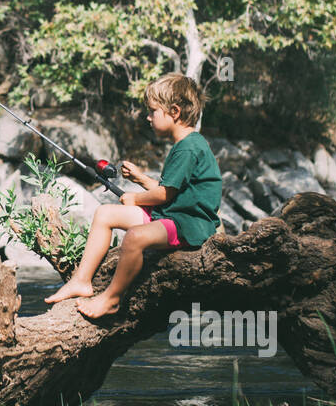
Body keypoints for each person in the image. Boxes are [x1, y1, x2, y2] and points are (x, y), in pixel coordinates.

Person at [44, 73, 222, 318]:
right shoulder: (187, 143)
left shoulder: (189, 147)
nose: (147, 117)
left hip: (189, 225)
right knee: (105, 213)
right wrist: (140, 179)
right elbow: (171, 189)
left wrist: (134, 198)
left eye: (152, 111)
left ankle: (112, 298)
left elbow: (164, 195)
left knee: (136, 237)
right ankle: (81, 280)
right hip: (173, 215)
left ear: (175, 112)